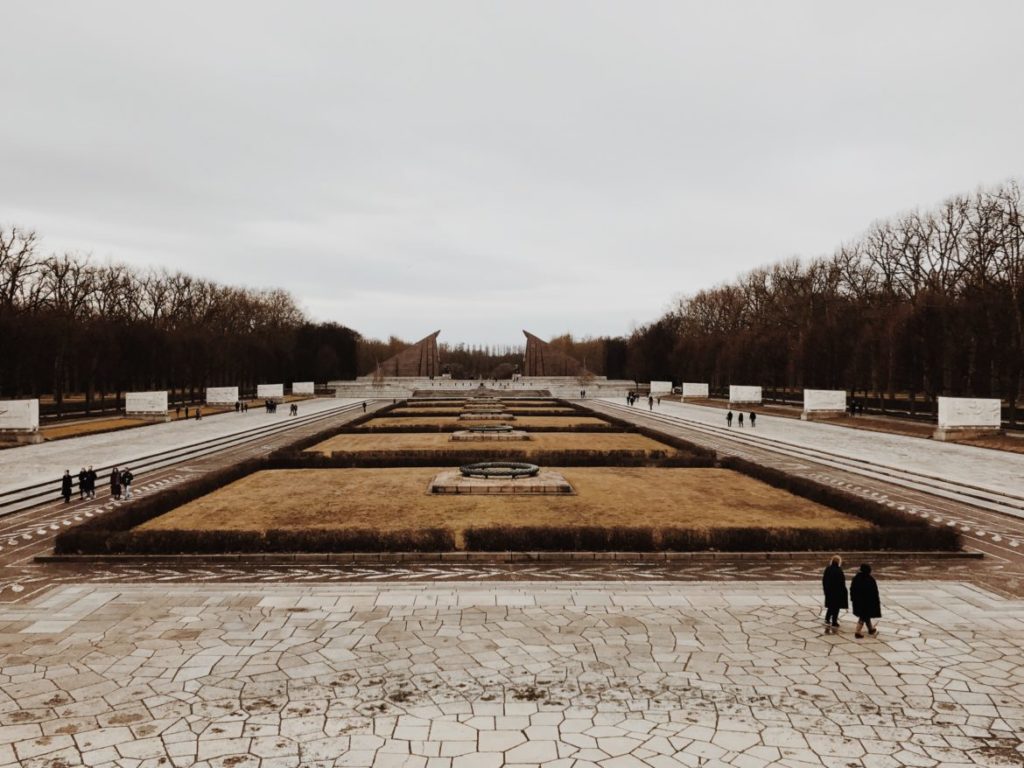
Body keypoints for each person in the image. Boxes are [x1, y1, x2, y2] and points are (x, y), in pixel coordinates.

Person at [850, 563, 881, 639]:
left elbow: (852, 589)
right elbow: (874, 592)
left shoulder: (856, 578)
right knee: (863, 616)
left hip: (858, 601)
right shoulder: (870, 579)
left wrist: (853, 598)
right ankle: (857, 632)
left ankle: (871, 629)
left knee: (865, 615)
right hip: (867, 601)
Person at [821, 556, 848, 631]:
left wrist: (825, 589)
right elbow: (842, 583)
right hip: (837, 592)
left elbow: (824, 580)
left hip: (829, 591)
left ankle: (827, 618)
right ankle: (834, 621)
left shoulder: (828, 569)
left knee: (830, 605)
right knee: (836, 607)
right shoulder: (839, 570)